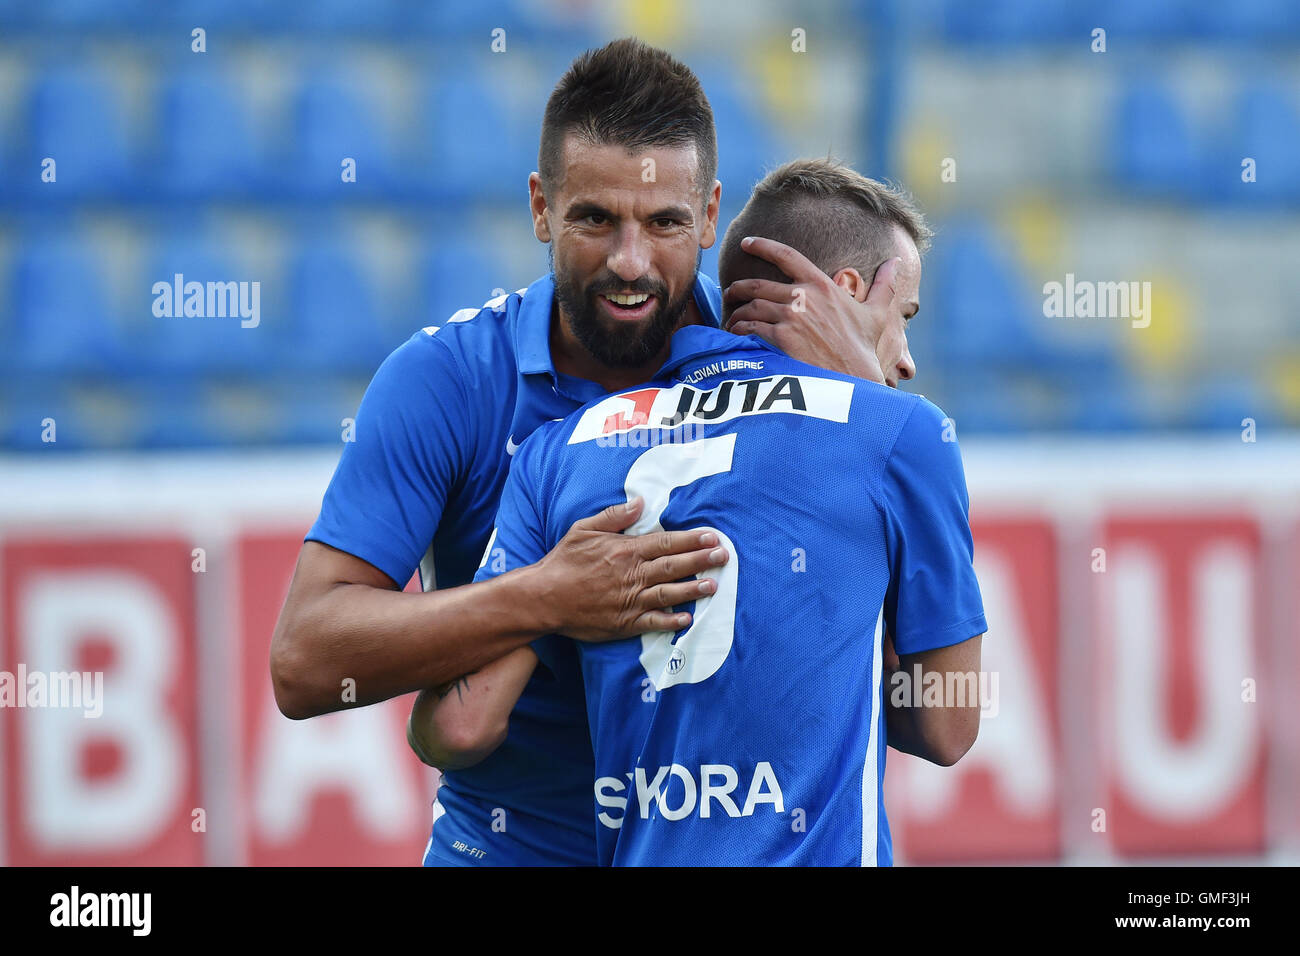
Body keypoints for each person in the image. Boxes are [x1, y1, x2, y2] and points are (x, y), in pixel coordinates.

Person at [270, 39, 899, 866]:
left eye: (665, 223)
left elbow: (911, 677)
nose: (630, 263)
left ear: (711, 216)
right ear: (541, 207)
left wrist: (869, 410)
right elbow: (305, 659)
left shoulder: (784, 365)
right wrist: (547, 597)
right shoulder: (448, 382)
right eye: (595, 219)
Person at [411, 158, 986, 866]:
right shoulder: (903, 432)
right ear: (844, 292)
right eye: (903, 318)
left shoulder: (562, 448)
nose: (906, 362)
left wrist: (550, 603)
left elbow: (458, 728)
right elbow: (947, 725)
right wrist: (871, 403)